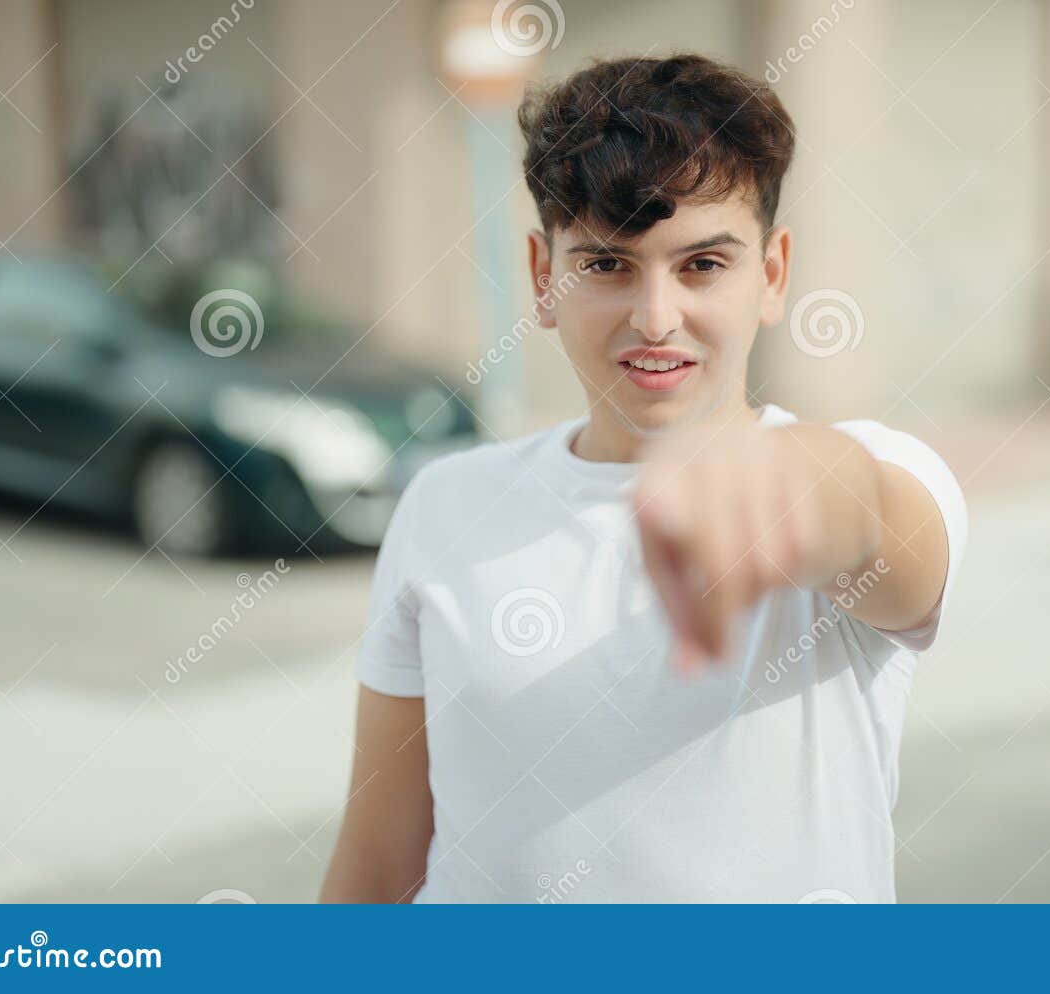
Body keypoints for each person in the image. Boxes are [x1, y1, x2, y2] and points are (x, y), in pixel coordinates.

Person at [320, 52, 966, 904]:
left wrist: (798, 489)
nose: (656, 319)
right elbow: (375, 871)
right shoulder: (447, 504)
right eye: (607, 265)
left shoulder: (877, 469)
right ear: (543, 277)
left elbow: (871, 523)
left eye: (702, 265)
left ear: (771, 276)